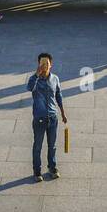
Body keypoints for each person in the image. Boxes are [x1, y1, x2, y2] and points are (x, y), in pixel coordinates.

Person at [27, 52, 68, 182]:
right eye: (42, 63)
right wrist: (36, 75)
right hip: (39, 118)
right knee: (38, 146)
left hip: (52, 117)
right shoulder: (34, 79)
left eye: (47, 63)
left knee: (52, 145)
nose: (45, 65)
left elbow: (58, 95)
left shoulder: (55, 78)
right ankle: (37, 171)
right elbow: (29, 88)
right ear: (38, 64)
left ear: (51, 64)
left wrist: (62, 112)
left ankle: (52, 168)